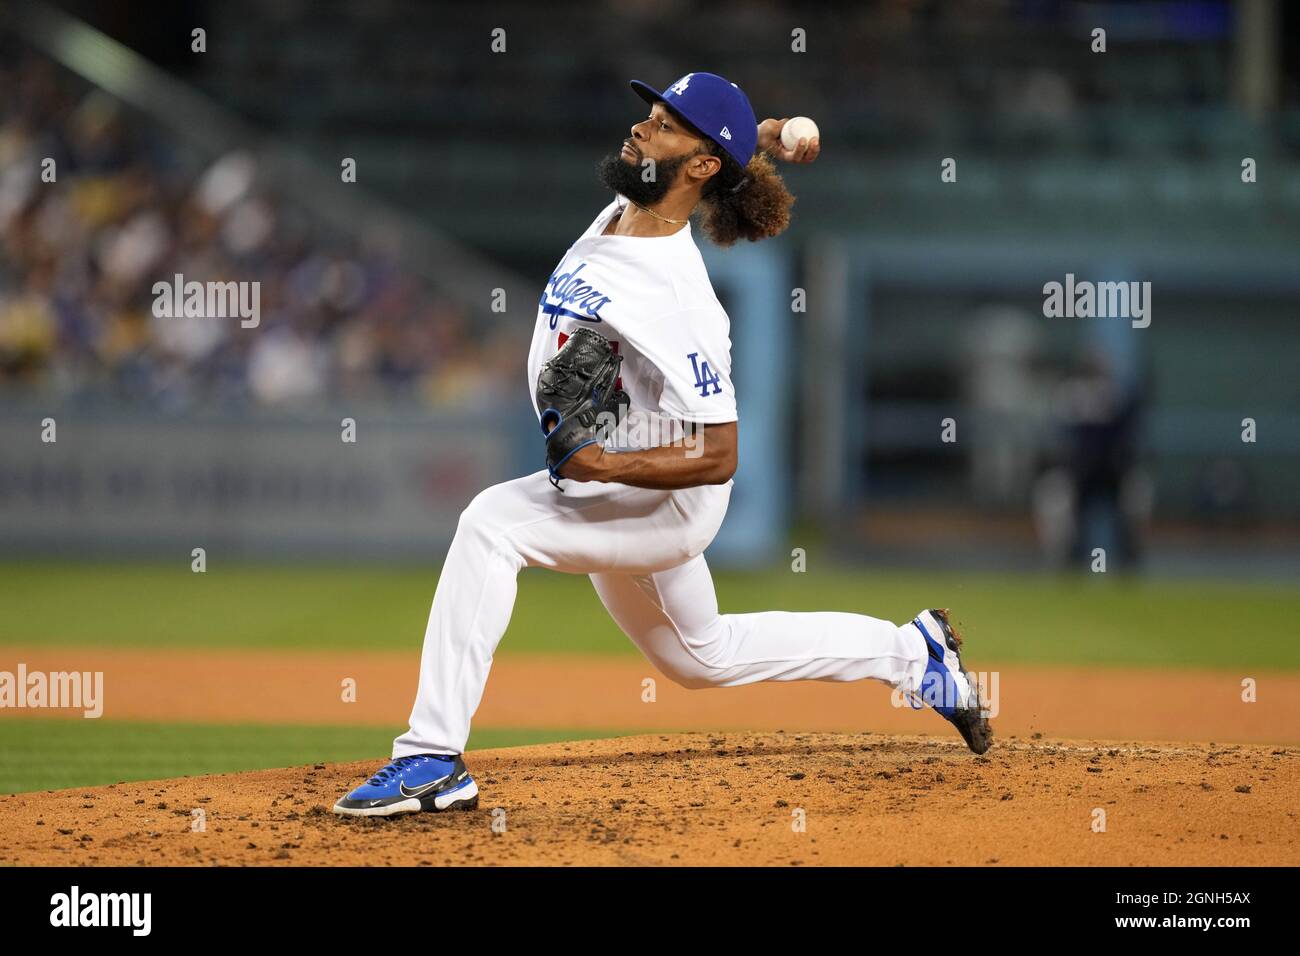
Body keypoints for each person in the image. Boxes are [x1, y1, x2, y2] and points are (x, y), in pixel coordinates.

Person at [334, 72, 991, 817]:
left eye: (665, 126)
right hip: (612, 482)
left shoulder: (679, 301)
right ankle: (915, 654)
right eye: (649, 114)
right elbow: (710, 157)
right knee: (698, 656)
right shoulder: (629, 207)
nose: (642, 130)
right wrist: (764, 132)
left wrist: (609, 465)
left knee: (491, 524)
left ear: (700, 165)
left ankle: (431, 759)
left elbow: (722, 454)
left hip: (667, 498)